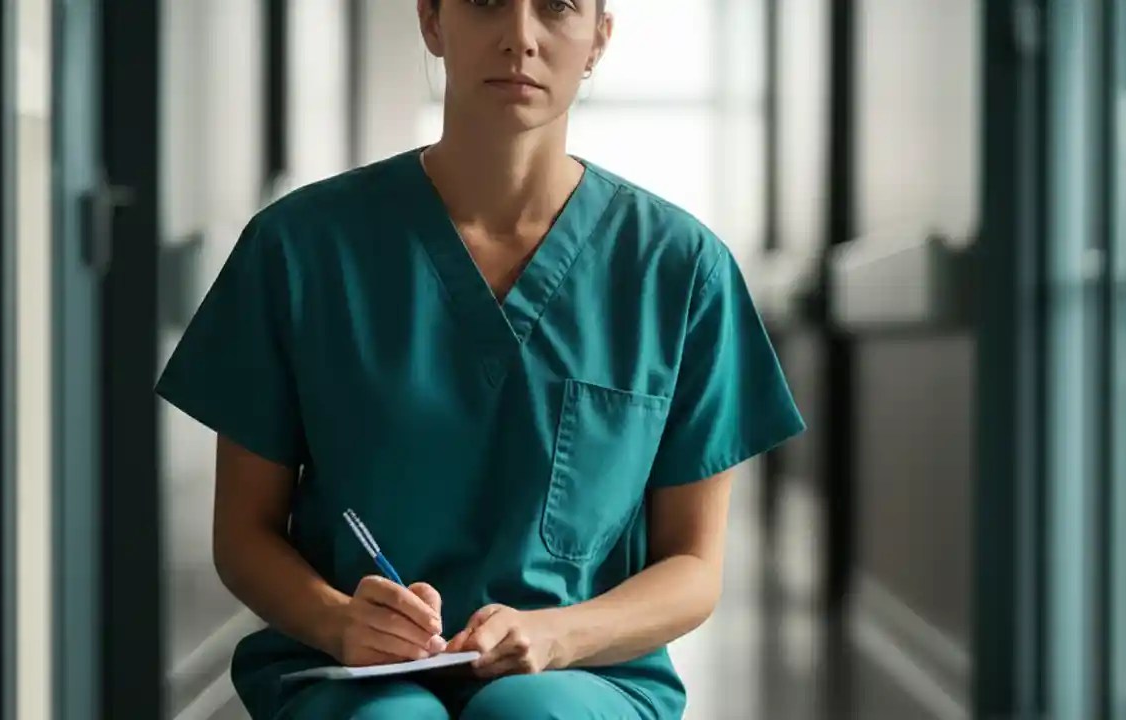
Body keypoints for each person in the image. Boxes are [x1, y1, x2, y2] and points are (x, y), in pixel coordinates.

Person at [155, 0, 804, 717]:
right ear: (433, 22)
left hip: (586, 669)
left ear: (598, 39)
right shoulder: (299, 249)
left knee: (528, 713)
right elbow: (244, 533)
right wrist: (338, 622)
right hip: (348, 665)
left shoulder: (679, 270)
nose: (520, 38)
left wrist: (560, 635)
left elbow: (694, 568)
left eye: (557, 8)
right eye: (488, 2)